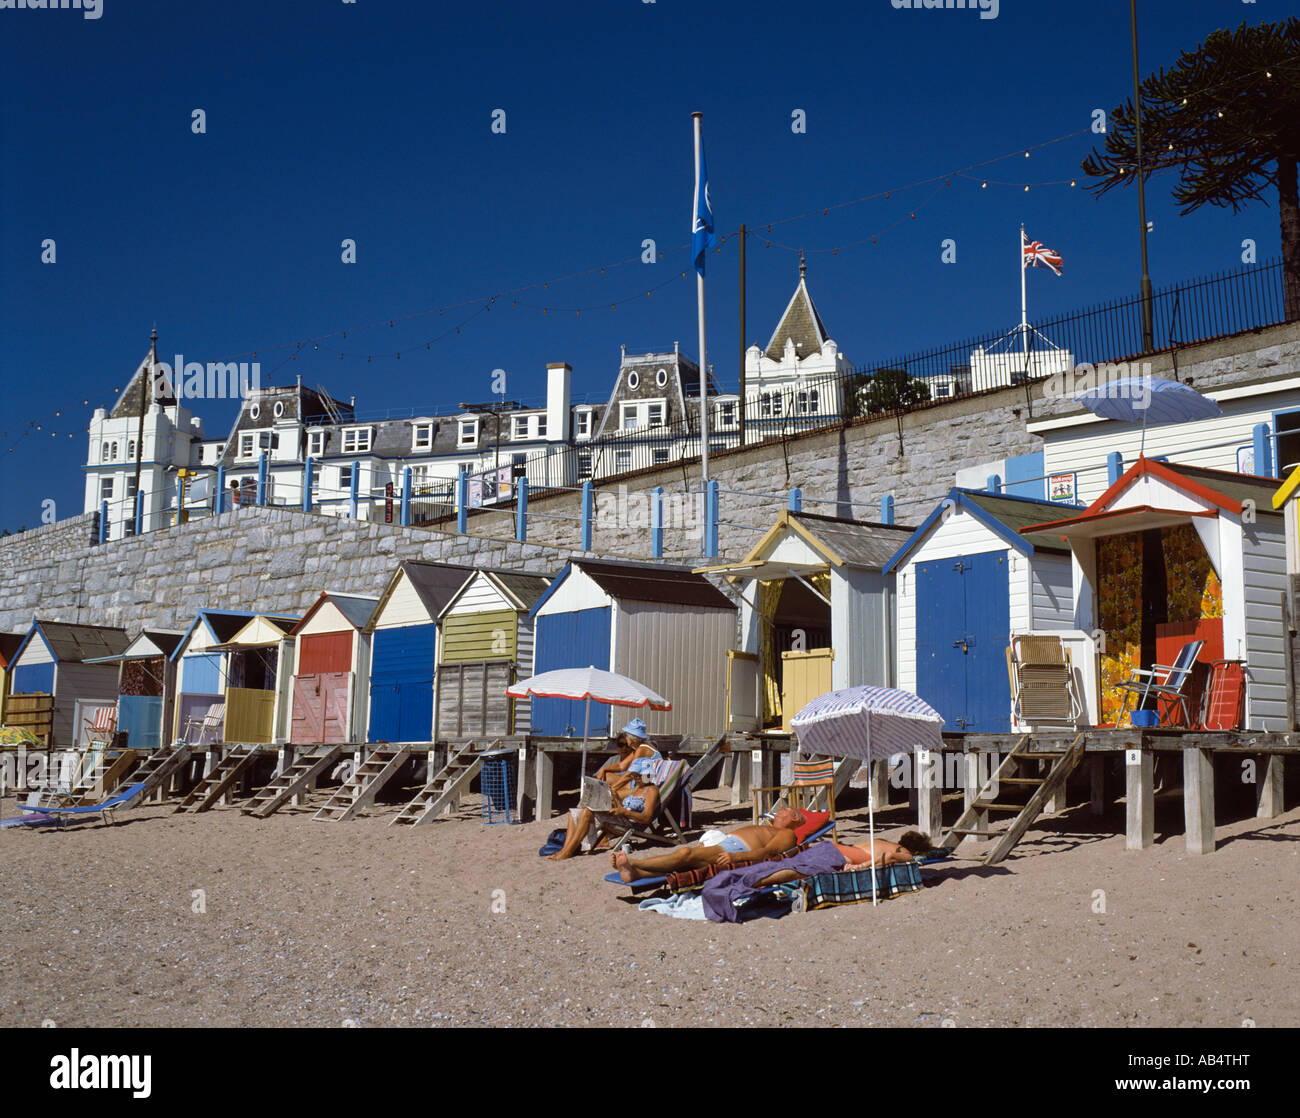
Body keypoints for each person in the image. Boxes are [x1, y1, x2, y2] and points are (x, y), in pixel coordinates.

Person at [610, 806, 808, 881]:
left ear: (796, 819)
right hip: (729, 843)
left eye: (787, 809)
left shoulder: (787, 834)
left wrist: (736, 857)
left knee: (685, 854)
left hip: (737, 849)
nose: (781, 809)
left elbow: (767, 853)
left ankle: (634, 863)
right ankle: (634, 874)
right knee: (682, 864)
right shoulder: (770, 827)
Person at [754, 830, 934, 887]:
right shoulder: (905, 853)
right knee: (796, 872)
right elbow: (891, 856)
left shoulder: (883, 840)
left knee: (790, 863)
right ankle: (754, 882)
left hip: (830, 847)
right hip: (839, 856)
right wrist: (862, 865)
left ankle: (750, 873)